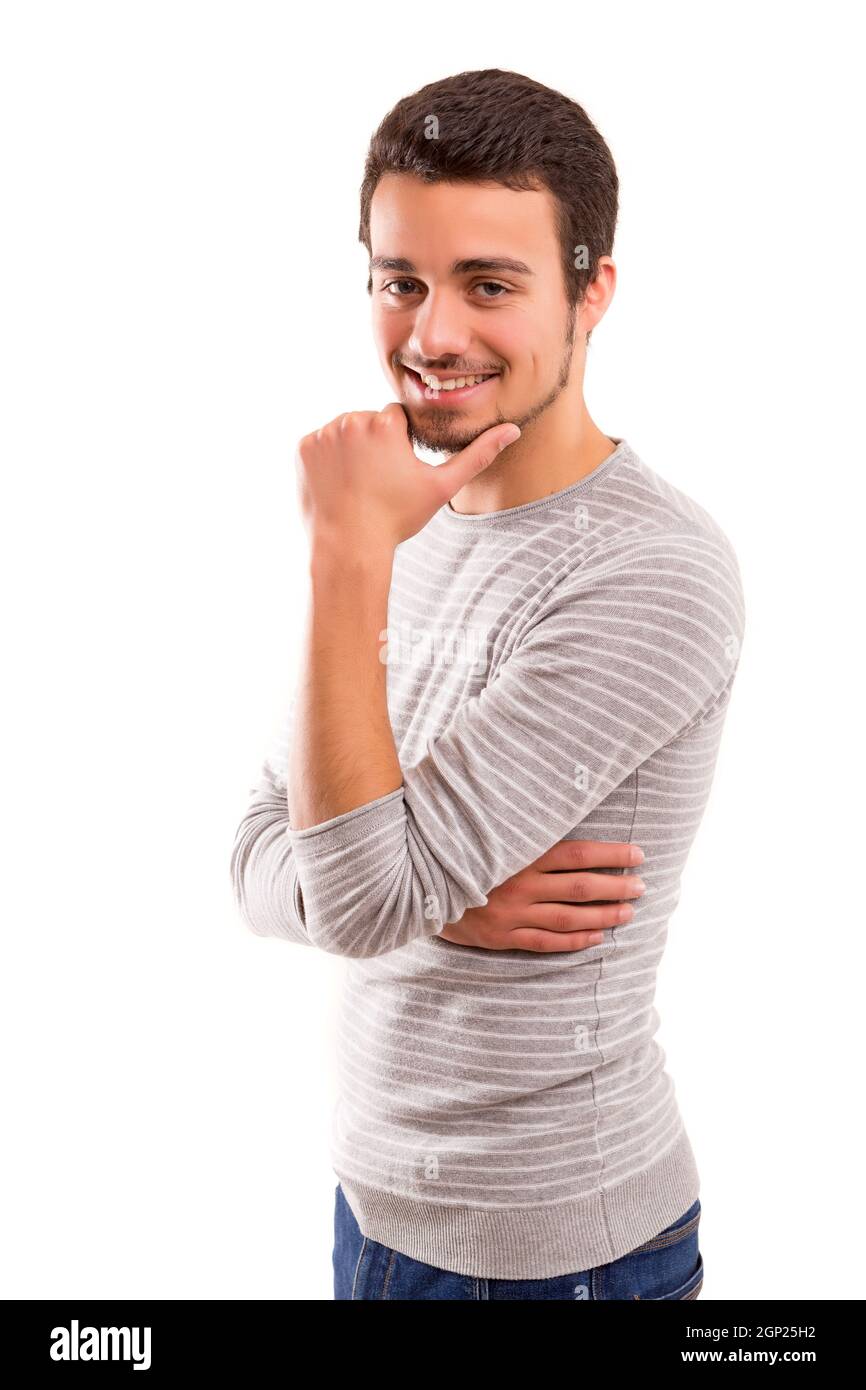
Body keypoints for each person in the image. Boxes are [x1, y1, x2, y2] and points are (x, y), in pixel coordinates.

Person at [230, 67, 745, 1300]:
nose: (433, 334)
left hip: (553, 1248)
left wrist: (345, 556)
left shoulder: (650, 571)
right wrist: (432, 899)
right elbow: (254, 853)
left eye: (489, 284)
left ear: (590, 292)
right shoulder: (401, 520)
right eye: (400, 280)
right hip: (376, 1207)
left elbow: (354, 903)